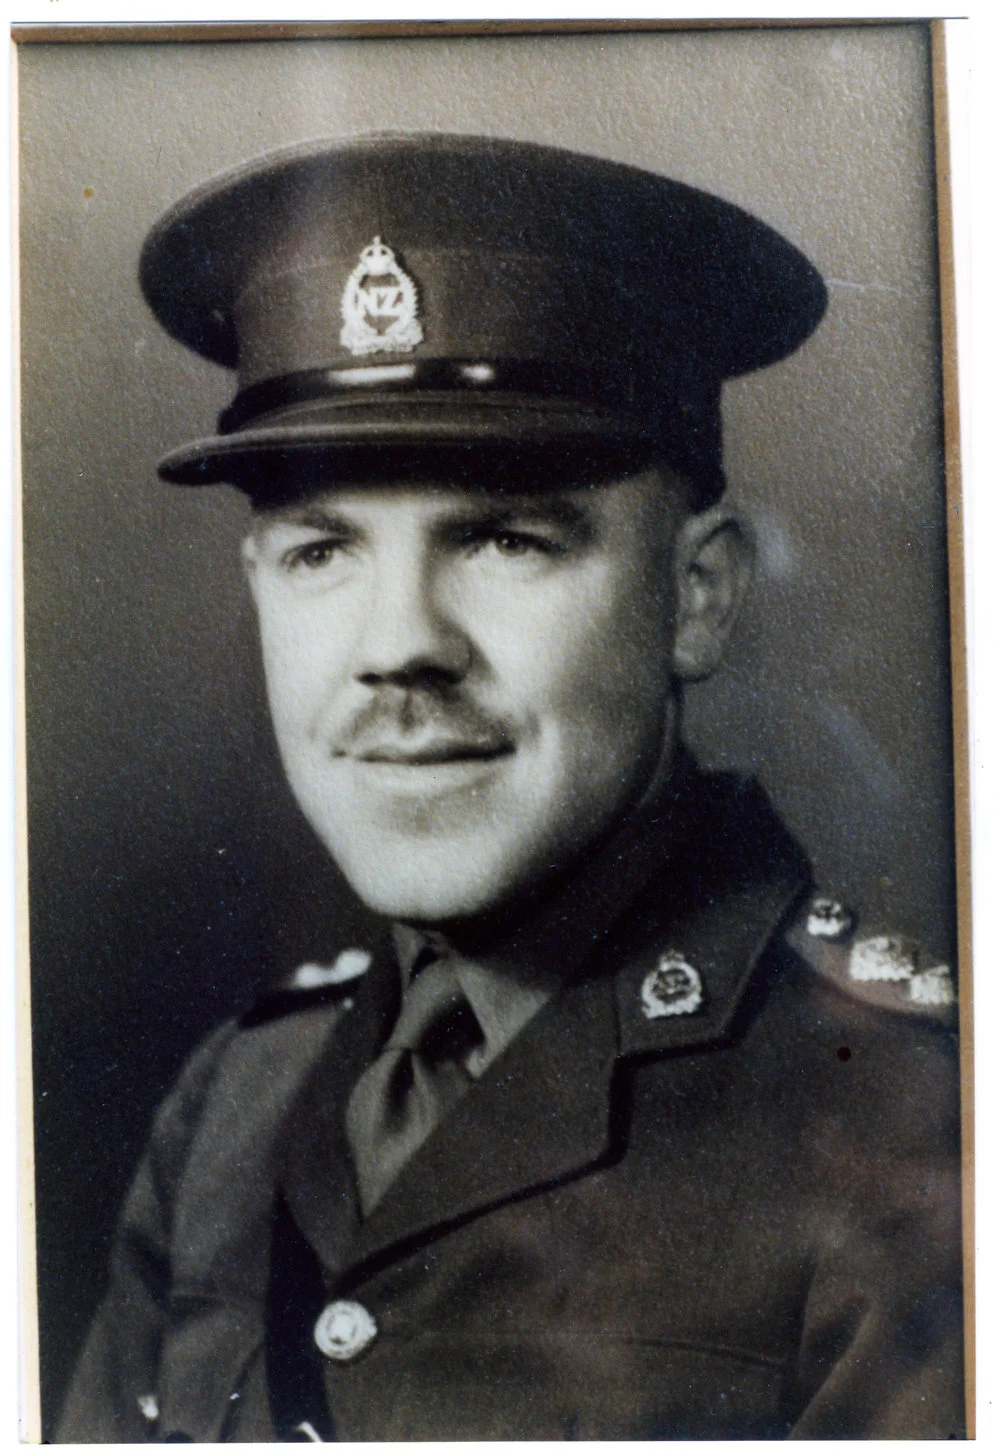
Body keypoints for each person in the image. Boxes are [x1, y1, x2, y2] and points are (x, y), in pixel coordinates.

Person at [56, 133, 963, 1442]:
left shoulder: (911, 1133)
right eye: (321, 549)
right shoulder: (235, 1107)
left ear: (693, 598)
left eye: (500, 536)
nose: (395, 645)